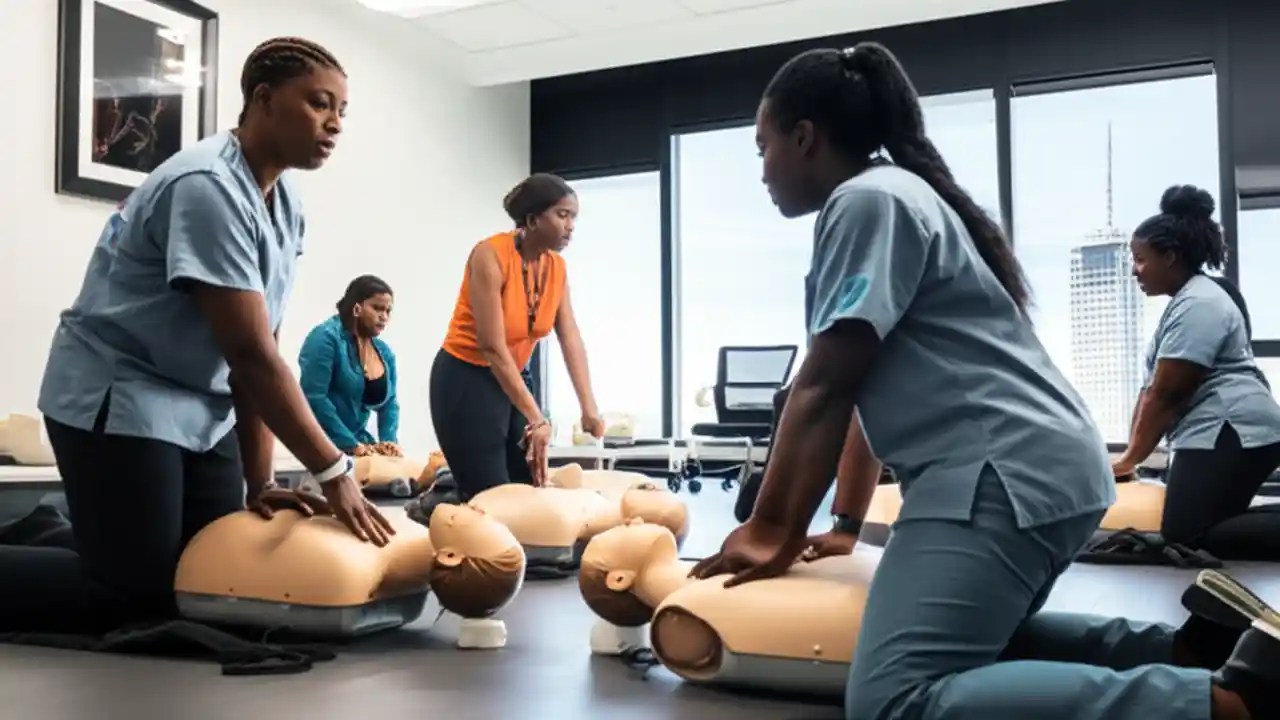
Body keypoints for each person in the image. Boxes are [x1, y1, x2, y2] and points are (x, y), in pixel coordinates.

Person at [688, 43, 1276, 720]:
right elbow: (856, 394)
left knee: (893, 701)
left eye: (762, 147)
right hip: (1034, 466)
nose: (762, 169)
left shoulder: (865, 202)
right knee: (971, 648)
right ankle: (1191, 652)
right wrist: (846, 523)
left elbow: (822, 386)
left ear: (804, 137)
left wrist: (771, 526)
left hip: (999, 477)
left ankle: (1224, 704)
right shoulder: (895, 195)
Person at [0, 37, 394, 635]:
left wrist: (262, 482)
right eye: (319, 104)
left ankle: (48, 529)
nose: (335, 123)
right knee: (133, 598)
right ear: (264, 99)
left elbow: (262, 350)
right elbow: (251, 356)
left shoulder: (285, 203)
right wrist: (334, 473)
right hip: (120, 395)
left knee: (204, 573)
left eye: (341, 110)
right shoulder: (207, 185)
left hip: (202, 409)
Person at [1113, 186, 1280, 561]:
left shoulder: (1200, 303)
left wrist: (1131, 459)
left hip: (1231, 428)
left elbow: (1167, 394)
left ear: (1169, 257)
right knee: (1207, 525)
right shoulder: (1186, 302)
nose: (1134, 270)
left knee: (1188, 534)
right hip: (1221, 429)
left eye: (1140, 259)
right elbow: (1150, 390)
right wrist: (1130, 454)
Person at [431, 174, 604, 501]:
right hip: (466, 377)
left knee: (528, 486)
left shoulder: (556, 267)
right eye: (562, 215)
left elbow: (569, 336)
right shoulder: (490, 255)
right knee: (492, 495)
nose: (570, 226)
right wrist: (537, 418)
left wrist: (588, 407)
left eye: (573, 218)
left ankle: (450, 487)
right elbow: (492, 346)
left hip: (514, 376)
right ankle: (438, 500)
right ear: (533, 220)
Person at [299, 274, 402, 458]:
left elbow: (390, 404)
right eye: (377, 308)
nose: (384, 317)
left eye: (388, 311)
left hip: (360, 445)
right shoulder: (325, 338)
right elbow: (314, 398)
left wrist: (389, 443)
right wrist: (350, 444)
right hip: (321, 446)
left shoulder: (384, 353)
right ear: (356, 308)